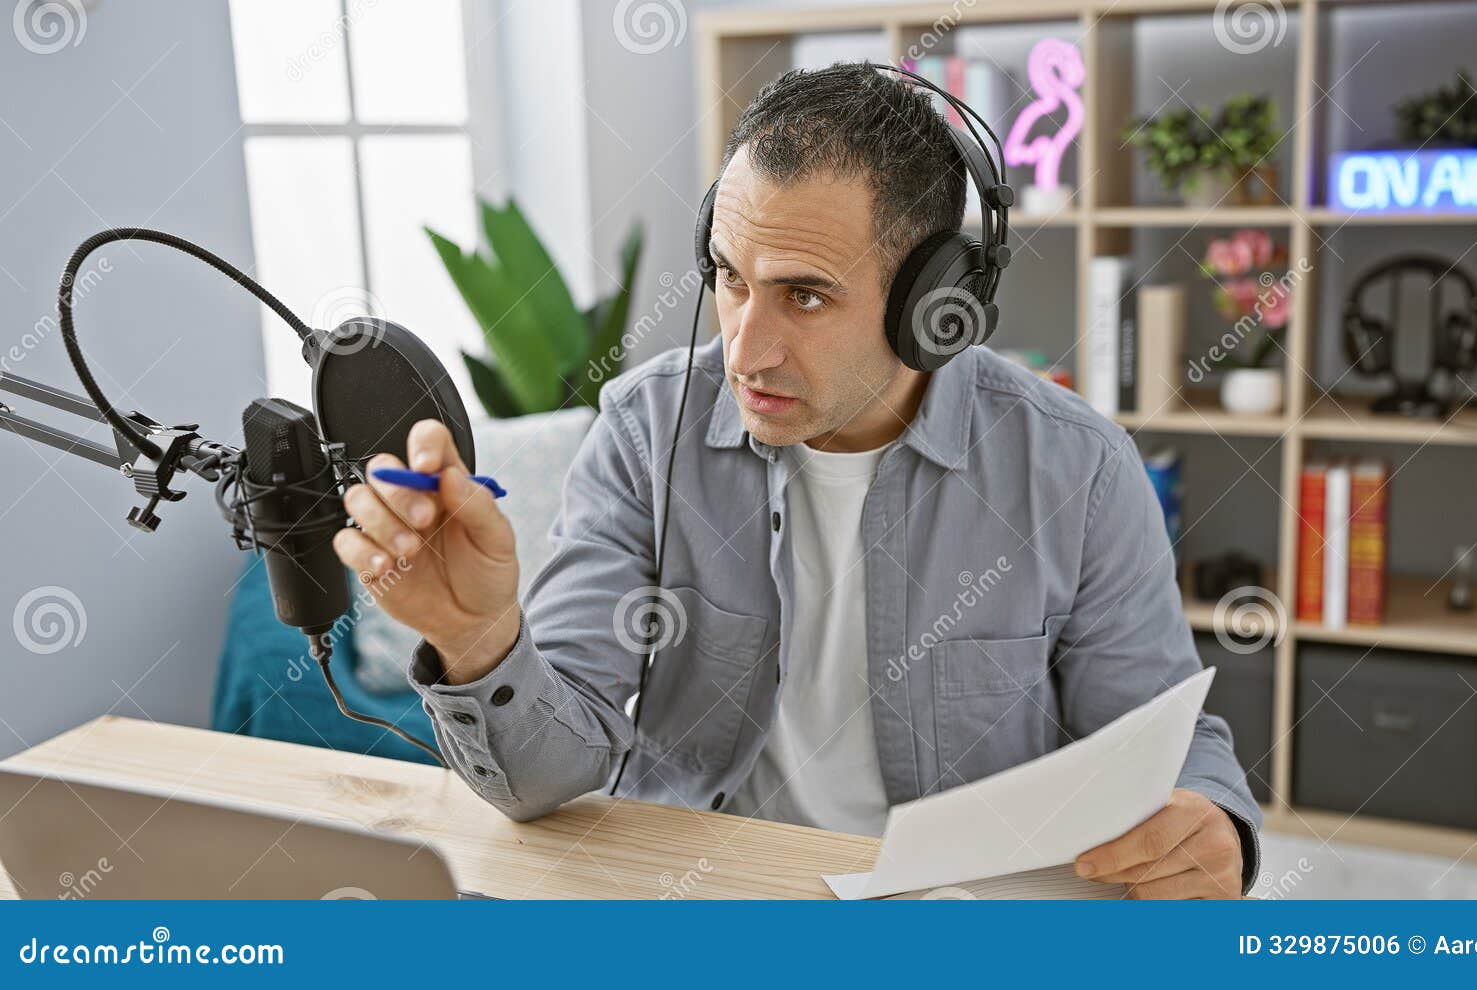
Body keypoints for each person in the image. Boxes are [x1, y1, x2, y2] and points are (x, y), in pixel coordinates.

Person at [334, 62, 1261, 899]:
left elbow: (1164, 745)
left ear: (933, 306)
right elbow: (543, 781)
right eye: (730, 278)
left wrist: (1215, 823)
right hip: (705, 907)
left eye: (805, 295)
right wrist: (477, 637)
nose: (746, 349)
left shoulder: (1076, 468)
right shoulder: (646, 432)